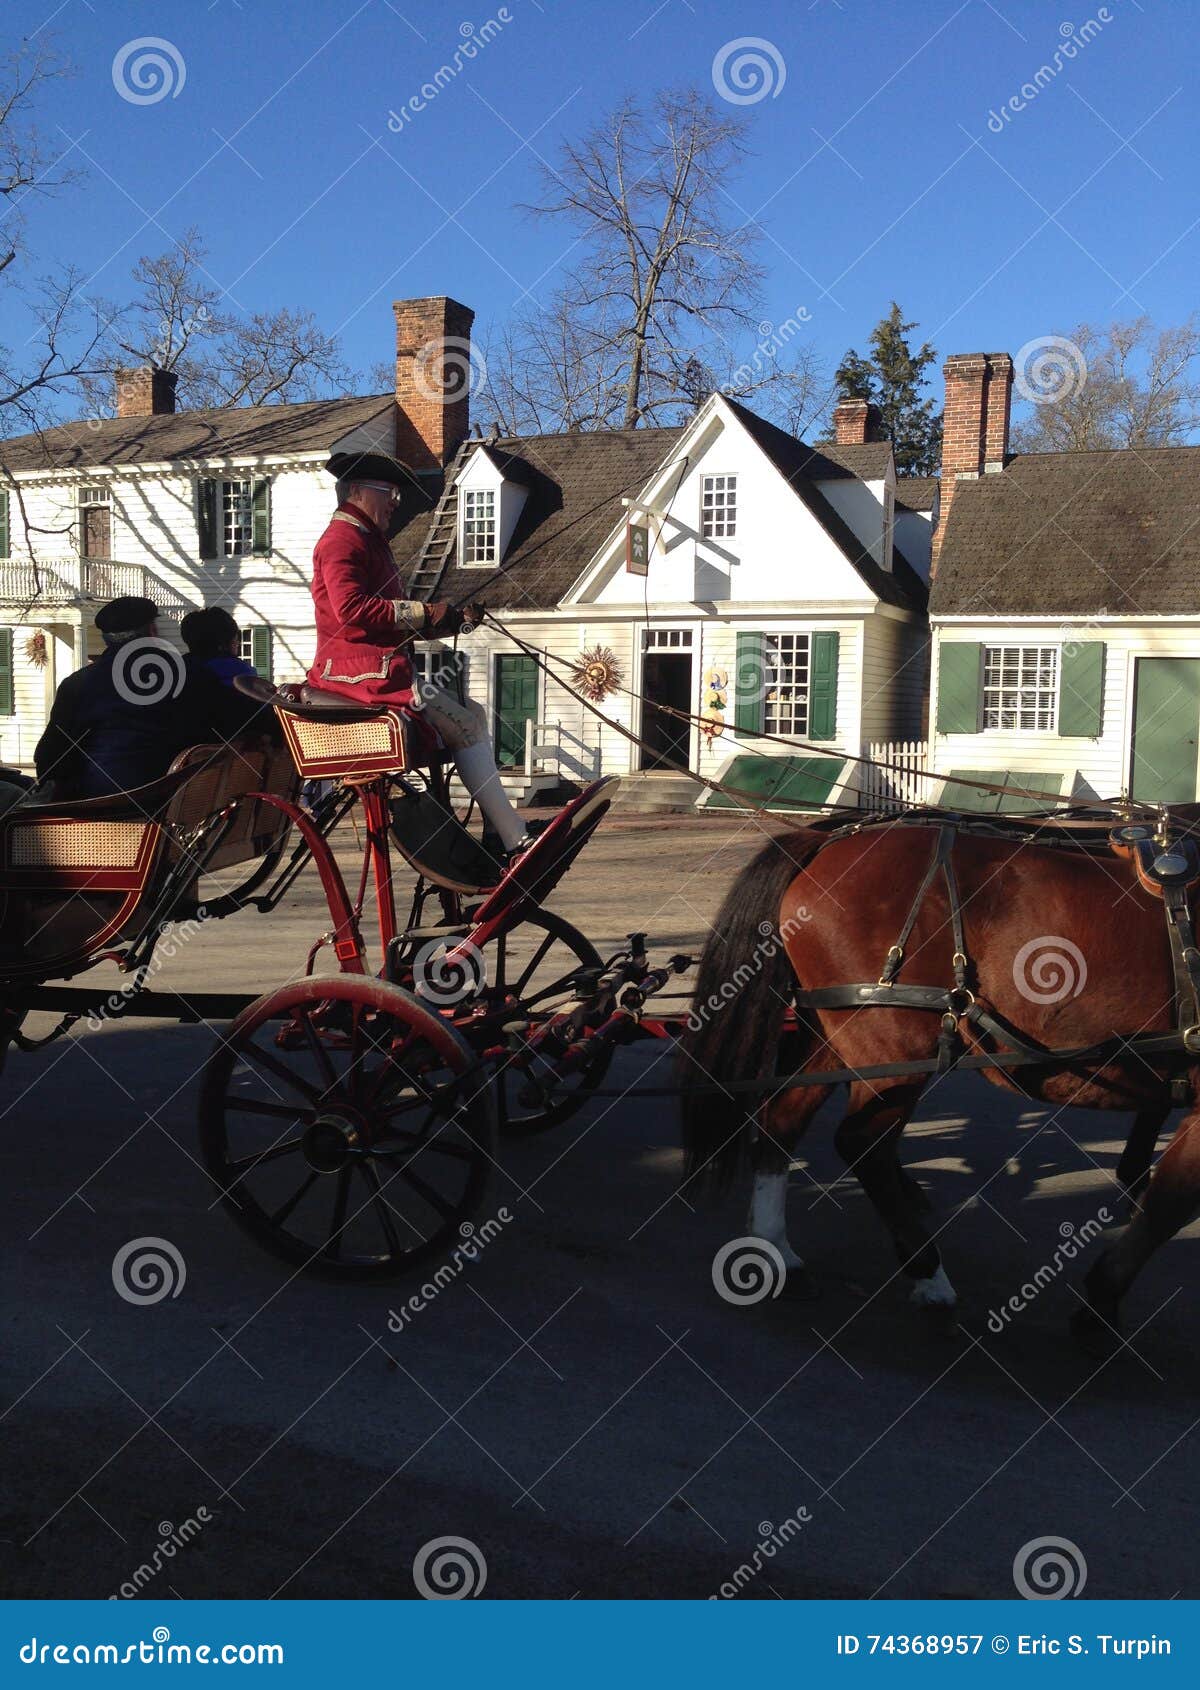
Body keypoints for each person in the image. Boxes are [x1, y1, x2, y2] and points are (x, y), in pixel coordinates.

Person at [309, 449, 540, 860]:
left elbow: (388, 618)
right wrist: (424, 611)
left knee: (476, 713)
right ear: (359, 492)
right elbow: (352, 610)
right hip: (356, 677)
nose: (395, 505)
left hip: (375, 670)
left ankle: (495, 829)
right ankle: (513, 836)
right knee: (465, 724)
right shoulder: (341, 540)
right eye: (389, 494)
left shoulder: (368, 541)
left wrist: (449, 621)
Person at [34, 596, 272, 800]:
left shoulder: (77, 685)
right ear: (152, 631)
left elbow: (49, 757)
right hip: (173, 801)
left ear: (107, 639)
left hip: (98, 801)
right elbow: (241, 722)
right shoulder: (190, 675)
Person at [180, 606, 259, 688]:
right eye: (235, 639)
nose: (238, 643)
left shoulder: (176, 673)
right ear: (223, 645)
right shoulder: (244, 675)